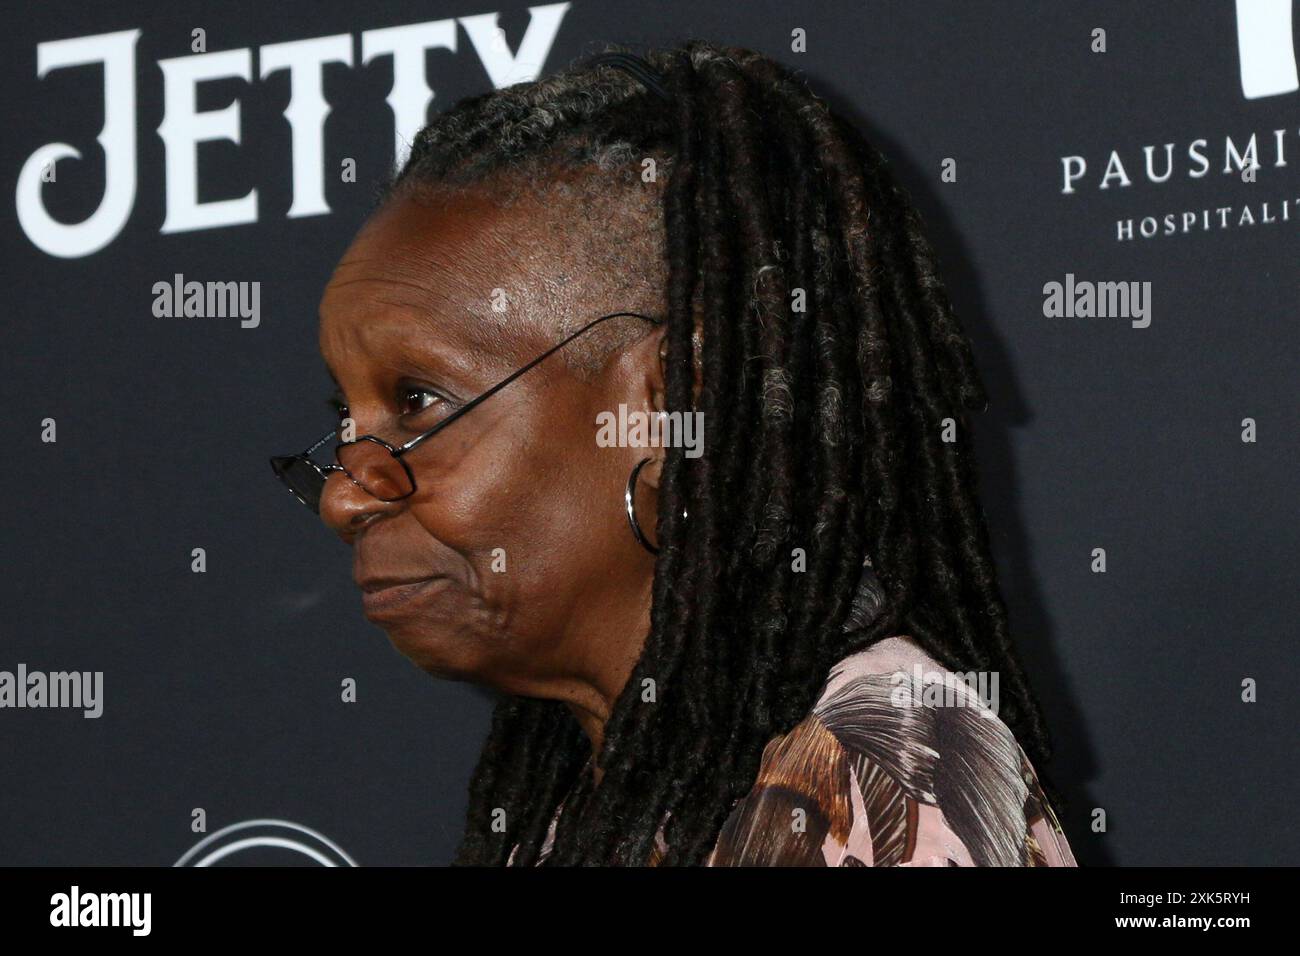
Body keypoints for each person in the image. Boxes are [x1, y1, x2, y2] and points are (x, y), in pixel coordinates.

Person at [270, 40, 1076, 866]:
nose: (344, 498)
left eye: (417, 402)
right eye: (345, 416)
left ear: (666, 401)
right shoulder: (597, 795)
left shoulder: (873, 780)